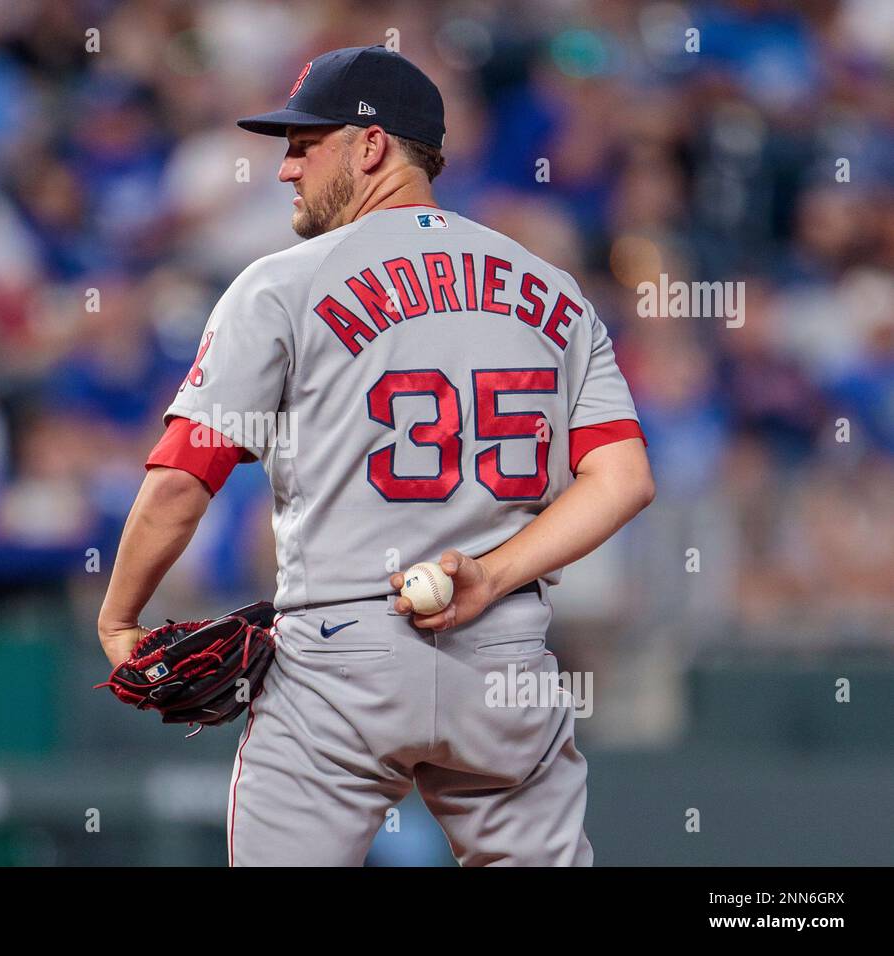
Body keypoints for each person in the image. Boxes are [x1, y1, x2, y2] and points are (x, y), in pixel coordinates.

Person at [97, 45, 654, 866]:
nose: (285, 170)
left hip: (340, 652)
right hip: (504, 658)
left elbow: (184, 479)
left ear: (370, 146)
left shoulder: (283, 283)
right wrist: (494, 576)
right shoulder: (553, 288)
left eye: (302, 144)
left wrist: (119, 617)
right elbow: (624, 478)